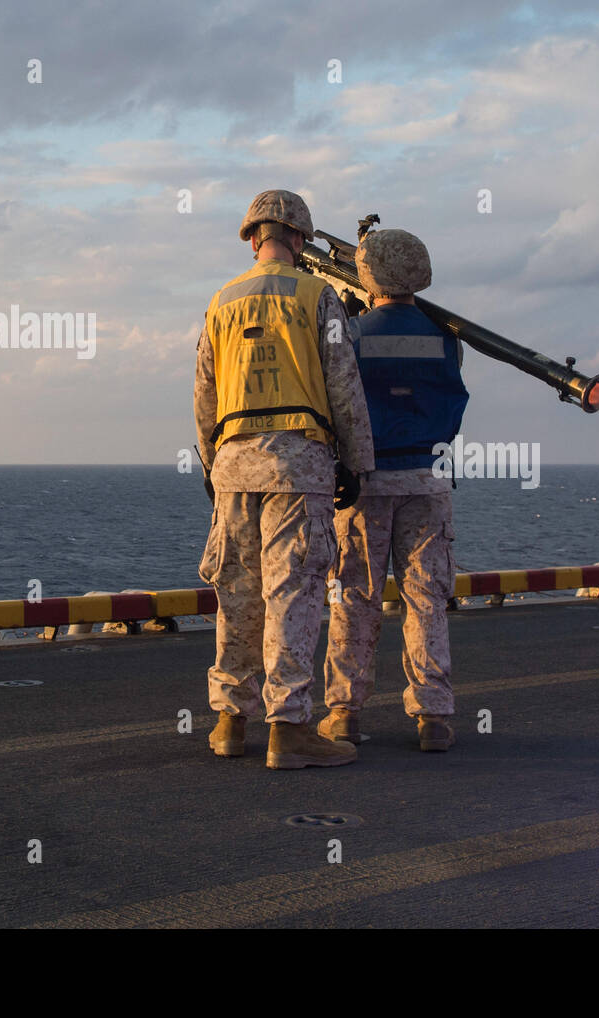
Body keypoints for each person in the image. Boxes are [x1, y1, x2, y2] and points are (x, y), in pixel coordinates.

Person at [194, 189, 374, 769]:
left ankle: (228, 722)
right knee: (291, 595)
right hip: (299, 466)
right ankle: (289, 728)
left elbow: (203, 394)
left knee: (236, 594)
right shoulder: (318, 296)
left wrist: (209, 464)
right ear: (299, 239)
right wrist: (357, 463)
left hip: (232, 466)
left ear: (253, 239)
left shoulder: (220, 302)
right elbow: (344, 385)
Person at [319, 228, 469, 752]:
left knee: (355, 597)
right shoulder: (446, 337)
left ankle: (343, 713)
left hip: (365, 482)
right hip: (428, 479)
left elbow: (338, 400)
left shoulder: (353, 333)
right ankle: (433, 717)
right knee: (426, 597)